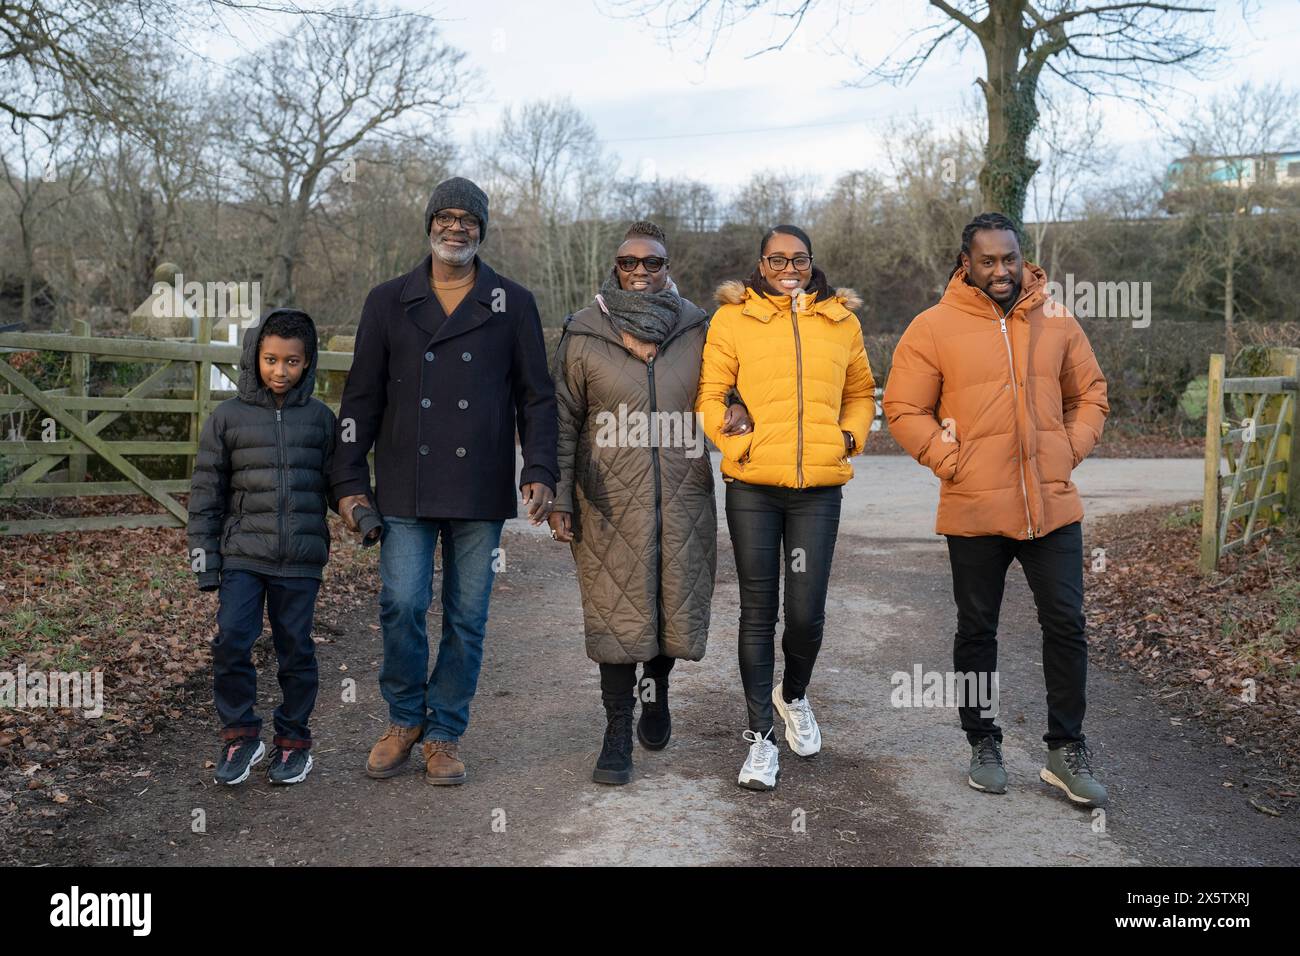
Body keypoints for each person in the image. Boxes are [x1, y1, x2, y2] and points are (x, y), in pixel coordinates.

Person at [331, 176, 558, 786]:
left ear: (482, 229)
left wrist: (538, 468)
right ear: (429, 224)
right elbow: (360, 400)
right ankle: (404, 718)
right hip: (404, 481)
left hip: (479, 484)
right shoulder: (387, 300)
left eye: (468, 218)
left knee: (465, 615)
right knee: (402, 602)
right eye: (446, 216)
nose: (456, 227)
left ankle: (443, 732)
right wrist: (349, 478)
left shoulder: (514, 301)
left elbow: (537, 398)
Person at [883, 211, 1110, 807]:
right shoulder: (933, 326)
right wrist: (949, 459)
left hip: (1051, 507)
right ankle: (983, 742)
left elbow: (1089, 394)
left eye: (1009, 258)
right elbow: (903, 408)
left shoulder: (1056, 318)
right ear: (968, 263)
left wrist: (1066, 450)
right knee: (977, 630)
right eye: (988, 261)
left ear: (1021, 257)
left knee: (1066, 624)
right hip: (975, 508)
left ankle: (1066, 749)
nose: (1001, 270)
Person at [549, 221, 752, 785]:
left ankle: (656, 691)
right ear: (614, 267)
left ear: (668, 266)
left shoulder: (699, 328)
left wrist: (738, 411)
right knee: (617, 612)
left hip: (683, 491)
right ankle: (617, 730)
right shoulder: (583, 333)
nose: (640, 271)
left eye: (652, 262)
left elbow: (729, 392)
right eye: (628, 262)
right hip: (608, 498)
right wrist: (561, 495)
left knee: (670, 603)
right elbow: (563, 422)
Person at [697, 224, 875, 791]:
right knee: (757, 610)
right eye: (777, 260)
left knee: (805, 613)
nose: (788, 268)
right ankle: (759, 741)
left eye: (798, 259)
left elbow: (860, 391)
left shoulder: (840, 319)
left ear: (812, 262)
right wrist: (735, 441)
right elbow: (710, 393)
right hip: (752, 484)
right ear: (761, 264)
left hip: (818, 488)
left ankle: (792, 695)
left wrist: (848, 438)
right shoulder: (734, 317)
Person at [188, 308, 337, 786]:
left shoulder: (320, 420)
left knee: (295, 648)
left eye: (292, 362)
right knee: (232, 639)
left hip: (300, 560)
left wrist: (369, 515)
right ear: (255, 357)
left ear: (307, 363)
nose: (280, 371)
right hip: (242, 558)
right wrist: (205, 559)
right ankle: (240, 735)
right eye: (271, 359)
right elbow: (206, 494)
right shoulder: (226, 418)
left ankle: (293, 743)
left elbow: (341, 483)